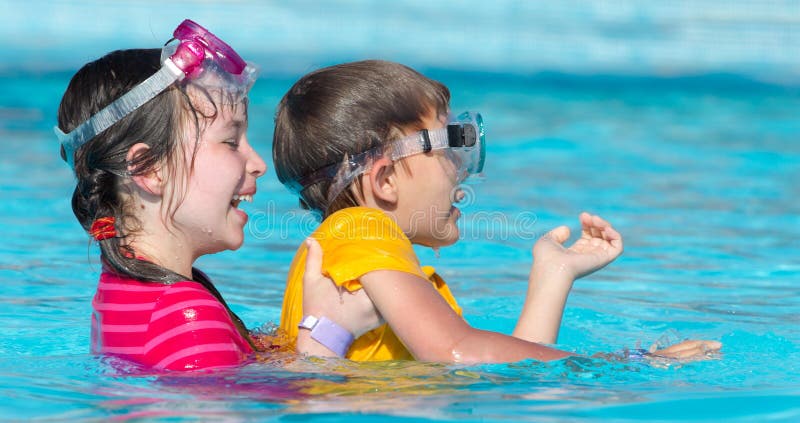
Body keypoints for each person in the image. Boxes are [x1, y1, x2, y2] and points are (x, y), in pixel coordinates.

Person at [272, 60, 721, 363]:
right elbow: (456, 350)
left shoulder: (352, 247)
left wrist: (553, 276)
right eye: (449, 149)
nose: (461, 172)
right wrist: (629, 364)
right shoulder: (364, 230)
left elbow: (509, 369)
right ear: (385, 180)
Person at [55, 20, 360, 372]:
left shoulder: (127, 286)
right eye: (231, 142)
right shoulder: (188, 319)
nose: (258, 164)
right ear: (148, 168)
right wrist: (328, 329)